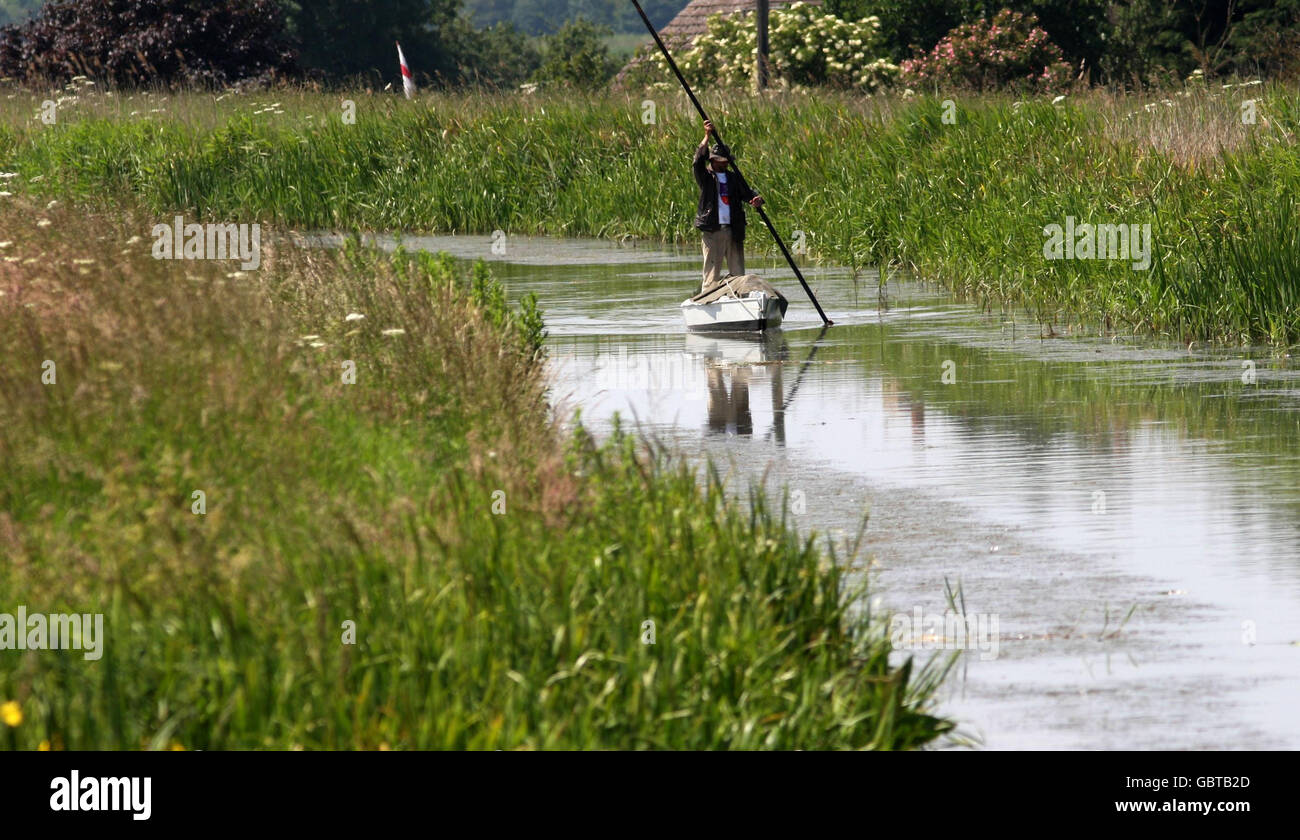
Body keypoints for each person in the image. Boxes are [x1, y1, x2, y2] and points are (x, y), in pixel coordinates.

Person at [693, 119, 763, 294]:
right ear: (713, 160)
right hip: (712, 230)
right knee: (711, 275)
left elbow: (747, 193)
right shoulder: (706, 177)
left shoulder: (733, 177)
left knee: (738, 273)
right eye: (720, 161)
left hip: (734, 230)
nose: (723, 164)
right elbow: (697, 161)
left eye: (725, 161)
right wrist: (707, 135)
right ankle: (708, 298)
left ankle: (741, 297)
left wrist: (756, 199)